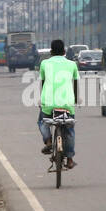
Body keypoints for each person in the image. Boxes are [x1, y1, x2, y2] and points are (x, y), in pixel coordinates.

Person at [36, 39, 80, 168]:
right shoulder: (72, 64)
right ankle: (70, 159)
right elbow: (76, 83)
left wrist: (42, 99)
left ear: (51, 52)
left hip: (48, 103)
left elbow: (43, 83)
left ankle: (49, 141)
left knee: (42, 121)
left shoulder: (44, 63)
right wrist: (76, 99)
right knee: (69, 130)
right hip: (67, 103)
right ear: (64, 52)